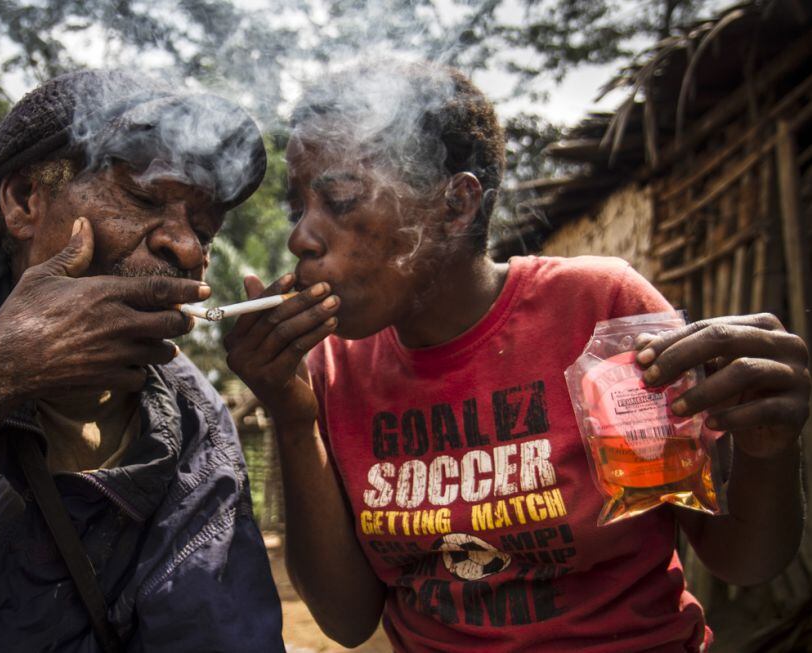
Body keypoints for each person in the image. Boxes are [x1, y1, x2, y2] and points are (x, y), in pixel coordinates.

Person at [224, 61, 811, 652]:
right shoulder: (331, 369)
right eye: (297, 208)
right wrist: (294, 421)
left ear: (456, 205)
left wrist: (768, 451)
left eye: (342, 200)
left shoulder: (598, 312)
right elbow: (346, 622)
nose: (301, 237)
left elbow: (745, 560)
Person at [0, 69, 284, 652]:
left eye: (205, 228)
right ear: (25, 201)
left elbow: (215, 629)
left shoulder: (191, 421)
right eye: (144, 197)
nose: (188, 247)